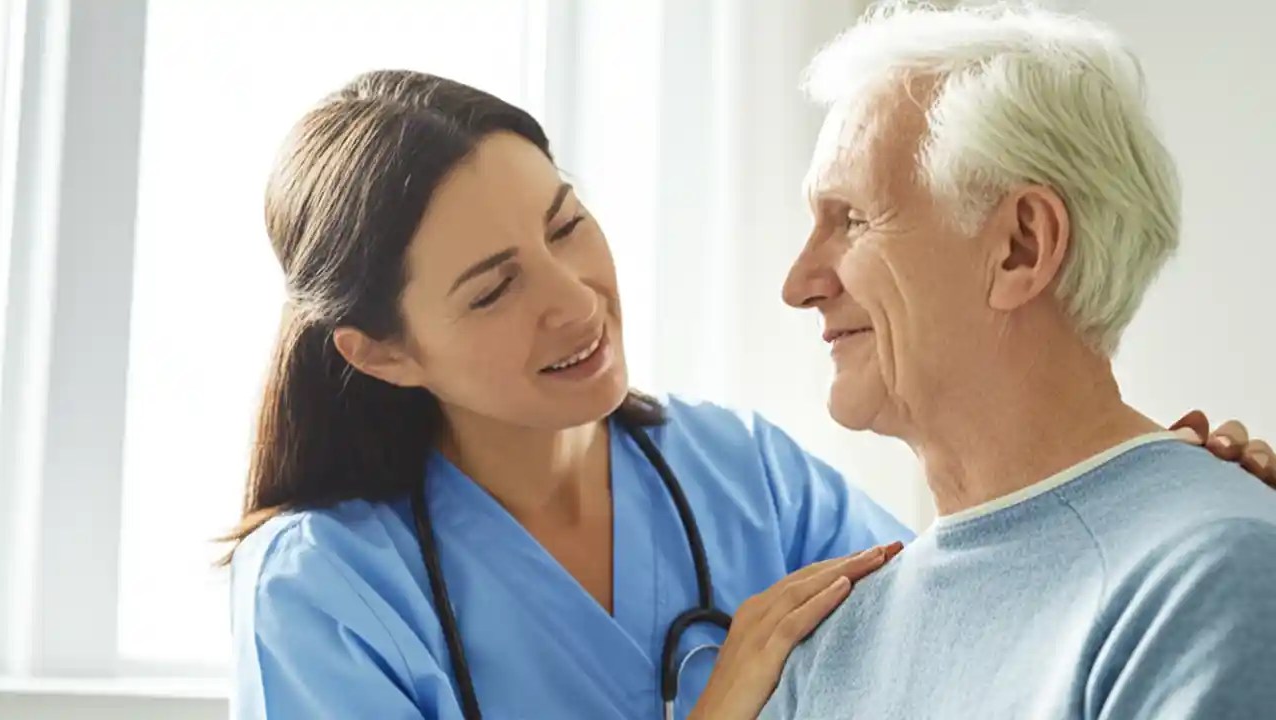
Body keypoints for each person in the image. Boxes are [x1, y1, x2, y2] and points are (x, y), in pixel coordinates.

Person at [225, 70, 1271, 720]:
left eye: (564, 225)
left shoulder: (739, 478)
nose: (573, 299)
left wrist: (1144, 491)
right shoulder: (324, 588)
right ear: (382, 354)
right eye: (494, 289)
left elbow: (969, 622)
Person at [762, 5, 1276, 719]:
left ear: (1020, 248)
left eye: (851, 219)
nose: (798, 285)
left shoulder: (1214, 579)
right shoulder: (829, 644)